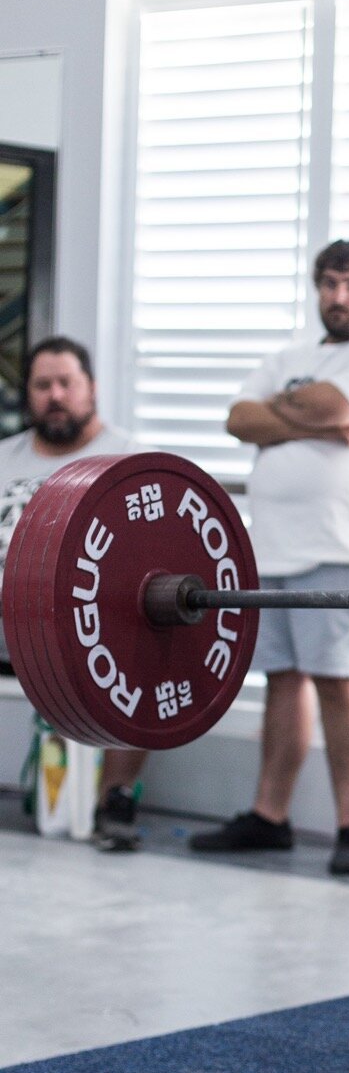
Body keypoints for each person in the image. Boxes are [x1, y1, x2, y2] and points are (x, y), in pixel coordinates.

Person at [189, 241, 349, 876]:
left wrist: (296, 416)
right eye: (328, 284)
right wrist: (312, 424)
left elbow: (337, 405)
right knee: (282, 680)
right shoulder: (287, 357)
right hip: (272, 546)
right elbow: (239, 419)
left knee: (338, 681)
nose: (337, 296)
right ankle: (269, 816)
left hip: (340, 544)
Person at [0, 338, 147, 851]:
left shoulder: (128, 459)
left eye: (67, 383)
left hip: (90, 621)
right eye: (43, 386)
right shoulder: (4, 456)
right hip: (4, 621)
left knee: (144, 652)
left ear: (92, 390)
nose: (55, 395)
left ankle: (117, 798)